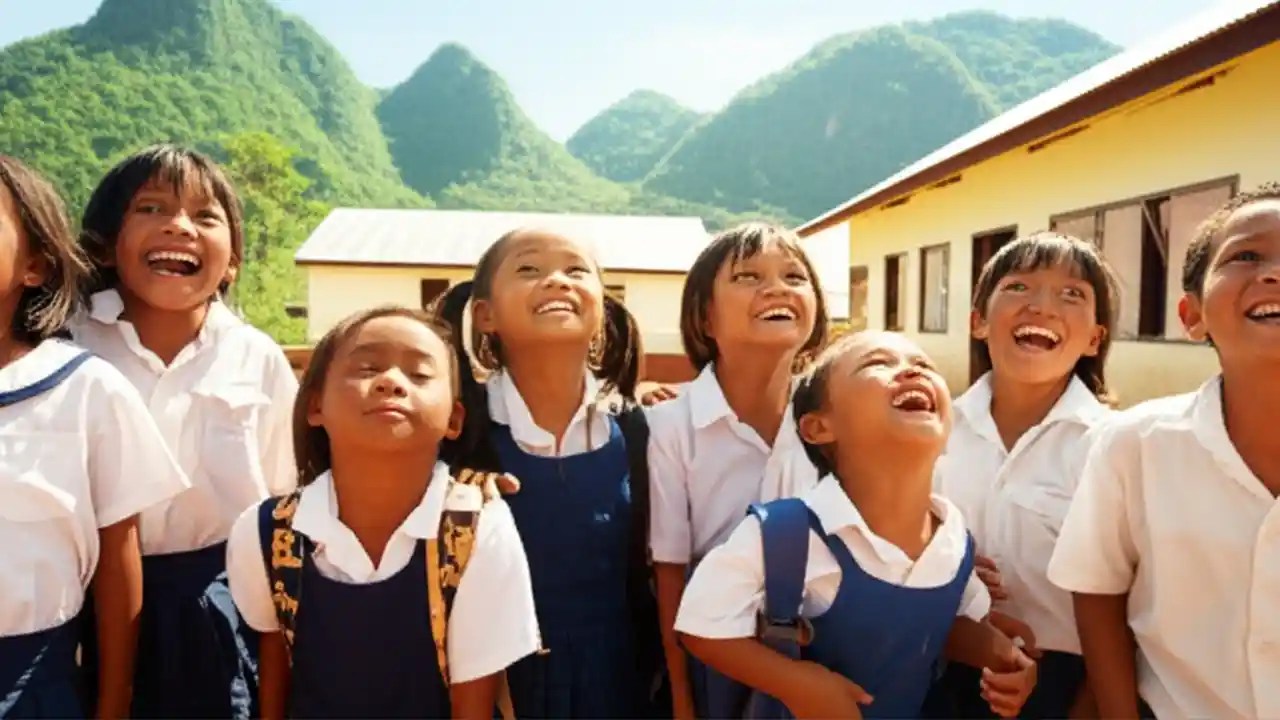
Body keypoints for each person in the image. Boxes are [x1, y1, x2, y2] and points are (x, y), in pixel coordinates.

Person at [677, 331, 1037, 719]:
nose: (910, 373)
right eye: (878, 363)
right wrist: (799, 683)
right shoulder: (784, 537)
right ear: (817, 428)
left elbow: (941, 626)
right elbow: (700, 626)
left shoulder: (954, 541)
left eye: (924, 366)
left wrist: (1004, 655)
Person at [225, 306, 540, 719]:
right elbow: (275, 676)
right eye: (368, 367)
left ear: (454, 419)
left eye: (420, 375)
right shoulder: (266, 533)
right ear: (314, 405)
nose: (391, 382)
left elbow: (474, 704)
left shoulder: (477, 528)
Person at [71, 144, 297, 718]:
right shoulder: (66, 347)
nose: (179, 226)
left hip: (217, 606)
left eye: (205, 216)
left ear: (235, 261)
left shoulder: (257, 357)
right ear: (103, 243)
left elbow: (284, 503)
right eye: (150, 208)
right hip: (81, 605)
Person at [1048, 182, 1280, 720]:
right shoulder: (1134, 444)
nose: (1272, 272)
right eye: (1246, 255)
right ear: (1191, 315)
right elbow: (1099, 591)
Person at [437, 227, 664, 718]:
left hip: (617, 686)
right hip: (492, 689)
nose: (557, 281)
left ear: (602, 309)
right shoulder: (455, 434)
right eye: (529, 269)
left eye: (576, 270)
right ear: (484, 315)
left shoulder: (638, 431)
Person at [0, 155, 188, 718]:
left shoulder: (85, 391)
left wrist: (113, 701)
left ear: (35, 266)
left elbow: (118, 557)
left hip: (30, 683)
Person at [930, 232, 1117, 718]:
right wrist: (951, 574)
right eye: (1018, 287)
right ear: (978, 322)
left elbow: (1133, 604)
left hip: (1065, 684)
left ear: (1095, 338)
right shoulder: (933, 432)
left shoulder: (1114, 446)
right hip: (935, 665)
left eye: (1072, 294)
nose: (1043, 307)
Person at [647, 222, 826, 719]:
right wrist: (683, 699)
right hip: (719, 658)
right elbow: (670, 574)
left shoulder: (841, 417)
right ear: (705, 317)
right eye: (748, 276)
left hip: (829, 654)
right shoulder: (669, 426)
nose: (776, 288)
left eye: (795, 276)